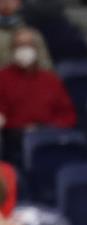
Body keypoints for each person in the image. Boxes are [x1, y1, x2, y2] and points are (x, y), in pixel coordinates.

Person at [0, 27, 78, 158]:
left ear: (37, 49)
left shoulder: (51, 80)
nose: (24, 50)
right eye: (19, 45)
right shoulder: (2, 78)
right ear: (12, 50)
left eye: (29, 45)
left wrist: (47, 128)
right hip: (14, 139)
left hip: (49, 136)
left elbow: (68, 114)